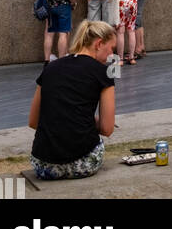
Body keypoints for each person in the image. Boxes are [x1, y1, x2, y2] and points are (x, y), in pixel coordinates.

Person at [28, 19, 116, 180]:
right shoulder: (103, 73)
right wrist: (91, 121)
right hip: (82, 163)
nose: (112, 55)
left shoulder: (50, 68)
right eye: (112, 48)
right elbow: (107, 128)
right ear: (99, 44)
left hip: (42, 164)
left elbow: (33, 121)